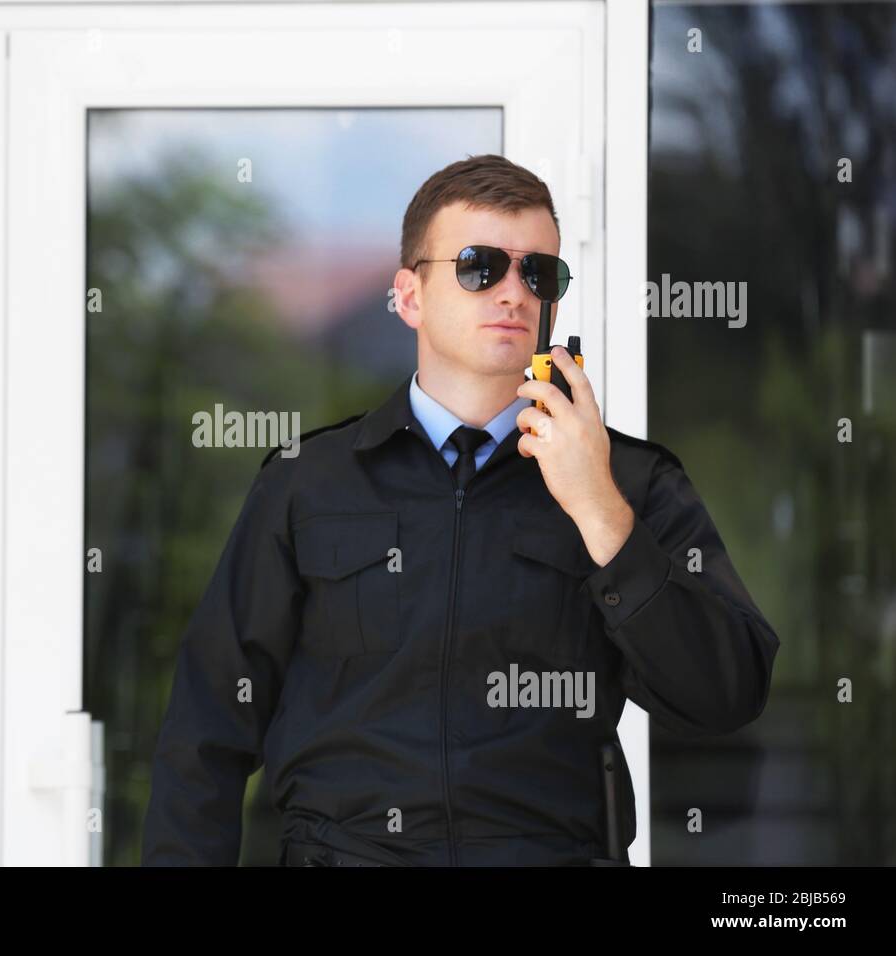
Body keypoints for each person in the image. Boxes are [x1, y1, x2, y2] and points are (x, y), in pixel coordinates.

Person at [140, 154, 779, 867]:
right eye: (479, 266)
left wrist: (600, 510)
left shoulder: (630, 480)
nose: (512, 292)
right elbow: (206, 728)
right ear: (409, 296)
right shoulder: (307, 483)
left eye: (538, 273)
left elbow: (727, 692)